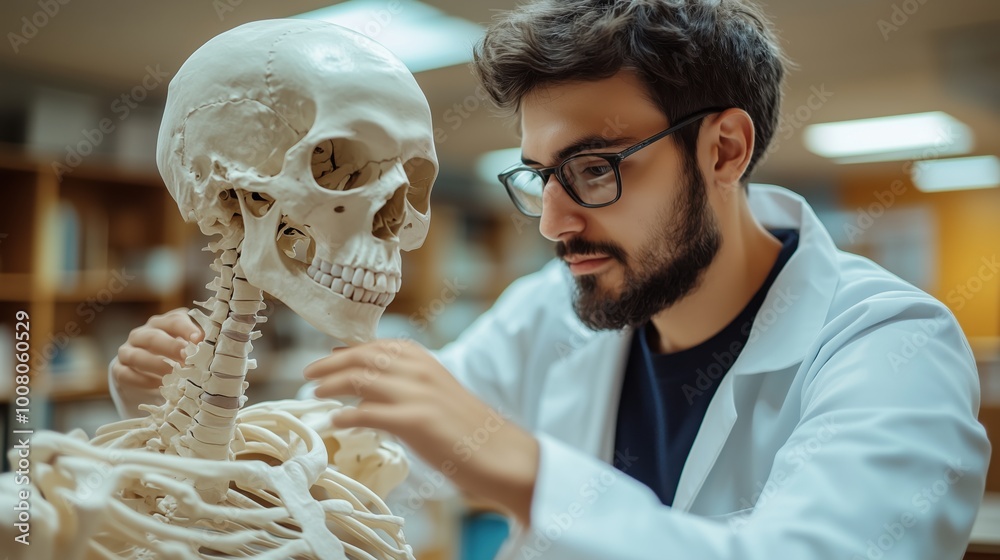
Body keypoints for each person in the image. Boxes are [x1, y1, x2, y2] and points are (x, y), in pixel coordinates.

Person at [111, 1, 991, 558]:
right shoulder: (555, 310)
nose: (556, 221)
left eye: (597, 168)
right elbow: (357, 454)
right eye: (539, 174)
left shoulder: (890, 349)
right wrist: (189, 421)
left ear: (724, 149)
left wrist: (529, 471)